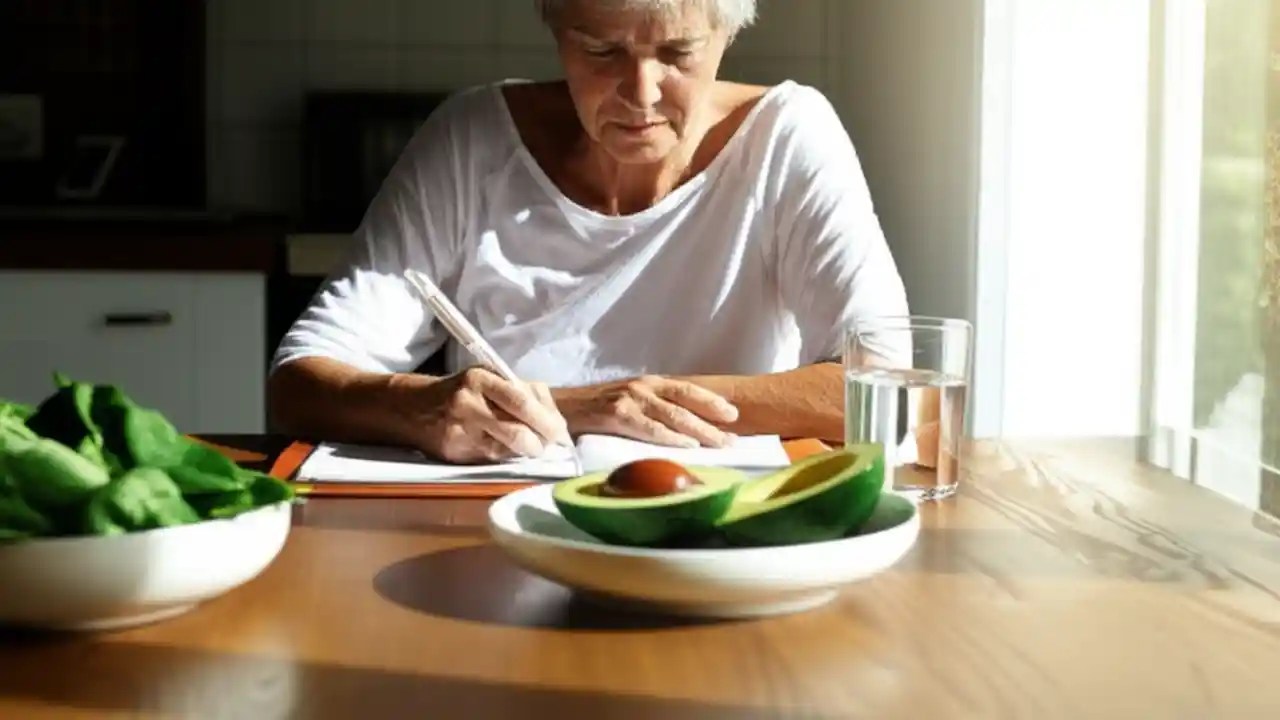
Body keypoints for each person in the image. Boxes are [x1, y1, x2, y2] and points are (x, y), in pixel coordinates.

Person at [267, 0, 910, 464]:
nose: (642, 92)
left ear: (726, 31)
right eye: (602, 50)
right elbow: (298, 381)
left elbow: (885, 388)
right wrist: (419, 407)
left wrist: (634, 403)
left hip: (720, 528)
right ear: (554, 25)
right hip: (492, 533)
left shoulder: (787, 137)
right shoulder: (472, 140)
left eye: (678, 53)